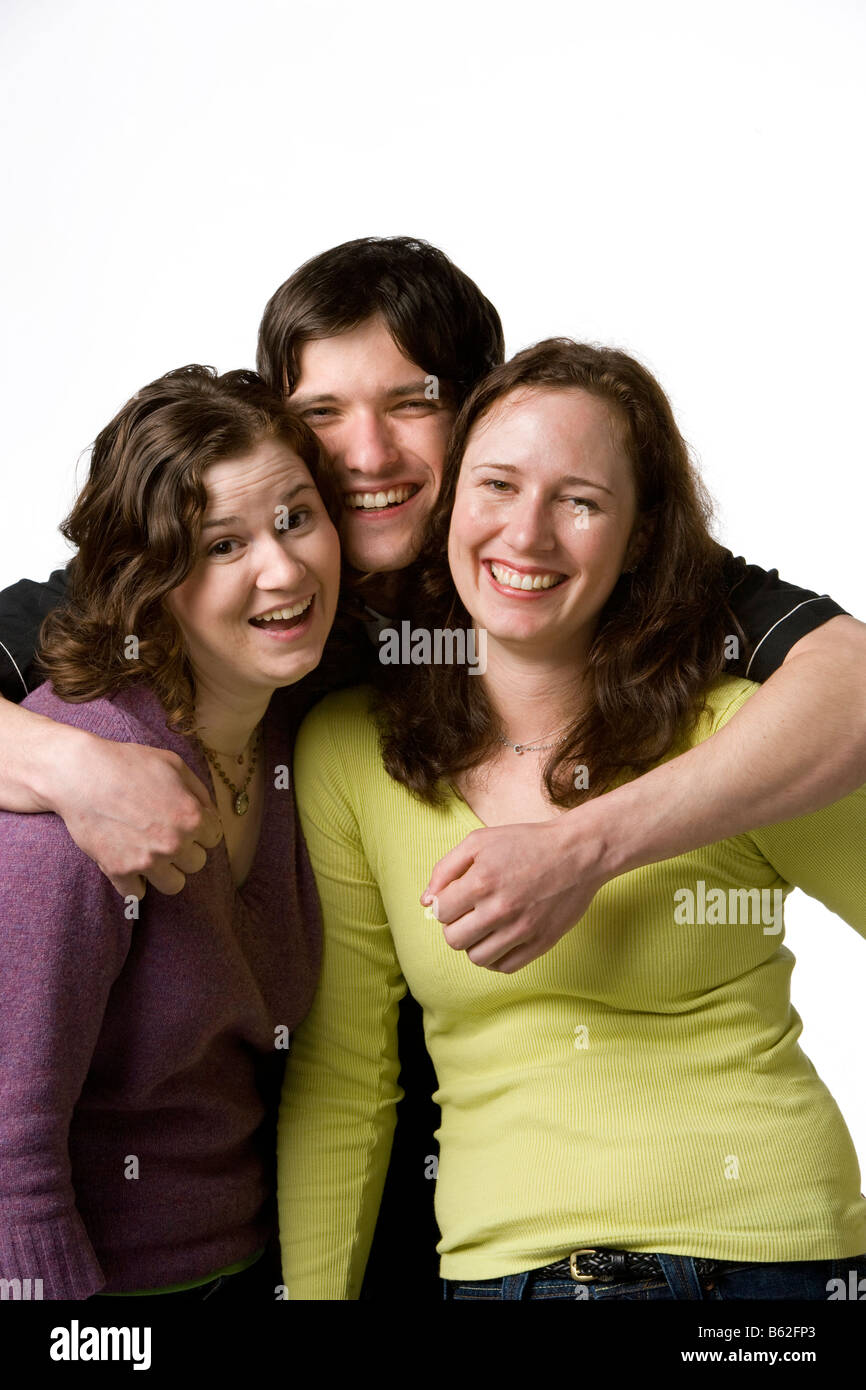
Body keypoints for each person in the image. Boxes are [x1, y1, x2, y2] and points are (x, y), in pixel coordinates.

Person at [1, 240, 865, 1300]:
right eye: (320, 413)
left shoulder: (571, 555)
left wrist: (585, 844)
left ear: (476, 414)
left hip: (662, 1228)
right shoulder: (185, 577)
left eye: (408, 403)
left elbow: (849, 685)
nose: (364, 453)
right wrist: (68, 762)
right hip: (314, 1192)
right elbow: (328, 1078)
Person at [278, 338, 866, 1301]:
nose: (528, 535)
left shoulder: (740, 737)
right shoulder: (353, 752)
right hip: (510, 1280)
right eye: (498, 485)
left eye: (580, 502)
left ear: (638, 538)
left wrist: (583, 847)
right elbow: (346, 1080)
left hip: (771, 1270)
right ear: (451, 501)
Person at [0, 366, 341, 1299]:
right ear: (150, 579)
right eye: (222, 545)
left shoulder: (297, 730)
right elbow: (8, 1162)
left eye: (298, 518)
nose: (283, 569)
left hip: (253, 1266)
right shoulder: (73, 807)